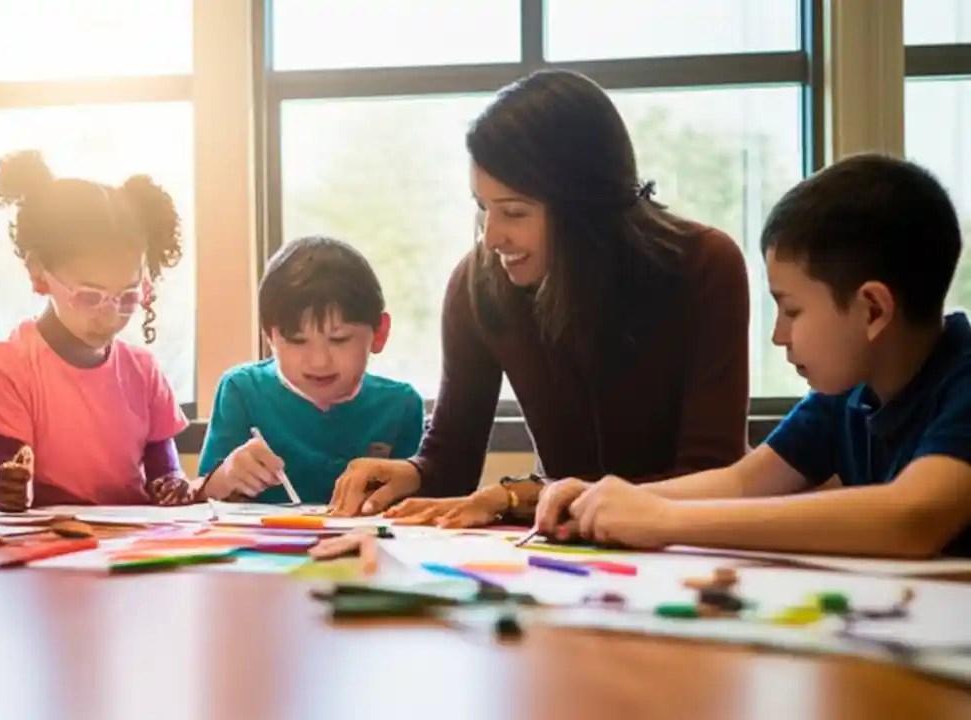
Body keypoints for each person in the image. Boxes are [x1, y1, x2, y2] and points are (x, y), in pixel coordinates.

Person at [328, 69, 750, 525]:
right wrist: (411, 473)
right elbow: (451, 464)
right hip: (566, 549)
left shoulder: (703, 265)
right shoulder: (478, 285)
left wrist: (521, 496)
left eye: (513, 212)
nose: (492, 238)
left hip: (686, 547)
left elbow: (709, 475)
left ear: (585, 205)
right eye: (483, 208)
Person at [534, 155, 971, 558]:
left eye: (792, 310)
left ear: (873, 309)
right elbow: (744, 482)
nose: (778, 336)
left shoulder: (963, 380)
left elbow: (912, 516)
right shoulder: (849, 391)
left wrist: (666, 520)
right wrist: (602, 498)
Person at [0, 150, 196, 510]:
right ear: (38, 270)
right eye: (90, 296)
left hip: (132, 546)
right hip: (47, 546)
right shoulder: (8, 367)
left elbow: (163, 471)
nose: (109, 317)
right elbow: (6, 476)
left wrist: (172, 485)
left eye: (127, 296)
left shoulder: (143, 371)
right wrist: (5, 487)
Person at [199, 236, 424, 504]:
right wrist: (225, 477)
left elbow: (416, 507)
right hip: (263, 545)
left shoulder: (401, 406)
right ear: (269, 337)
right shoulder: (241, 390)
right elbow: (203, 500)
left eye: (339, 339)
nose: (319, 361)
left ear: (379, 333)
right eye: (297, 340)